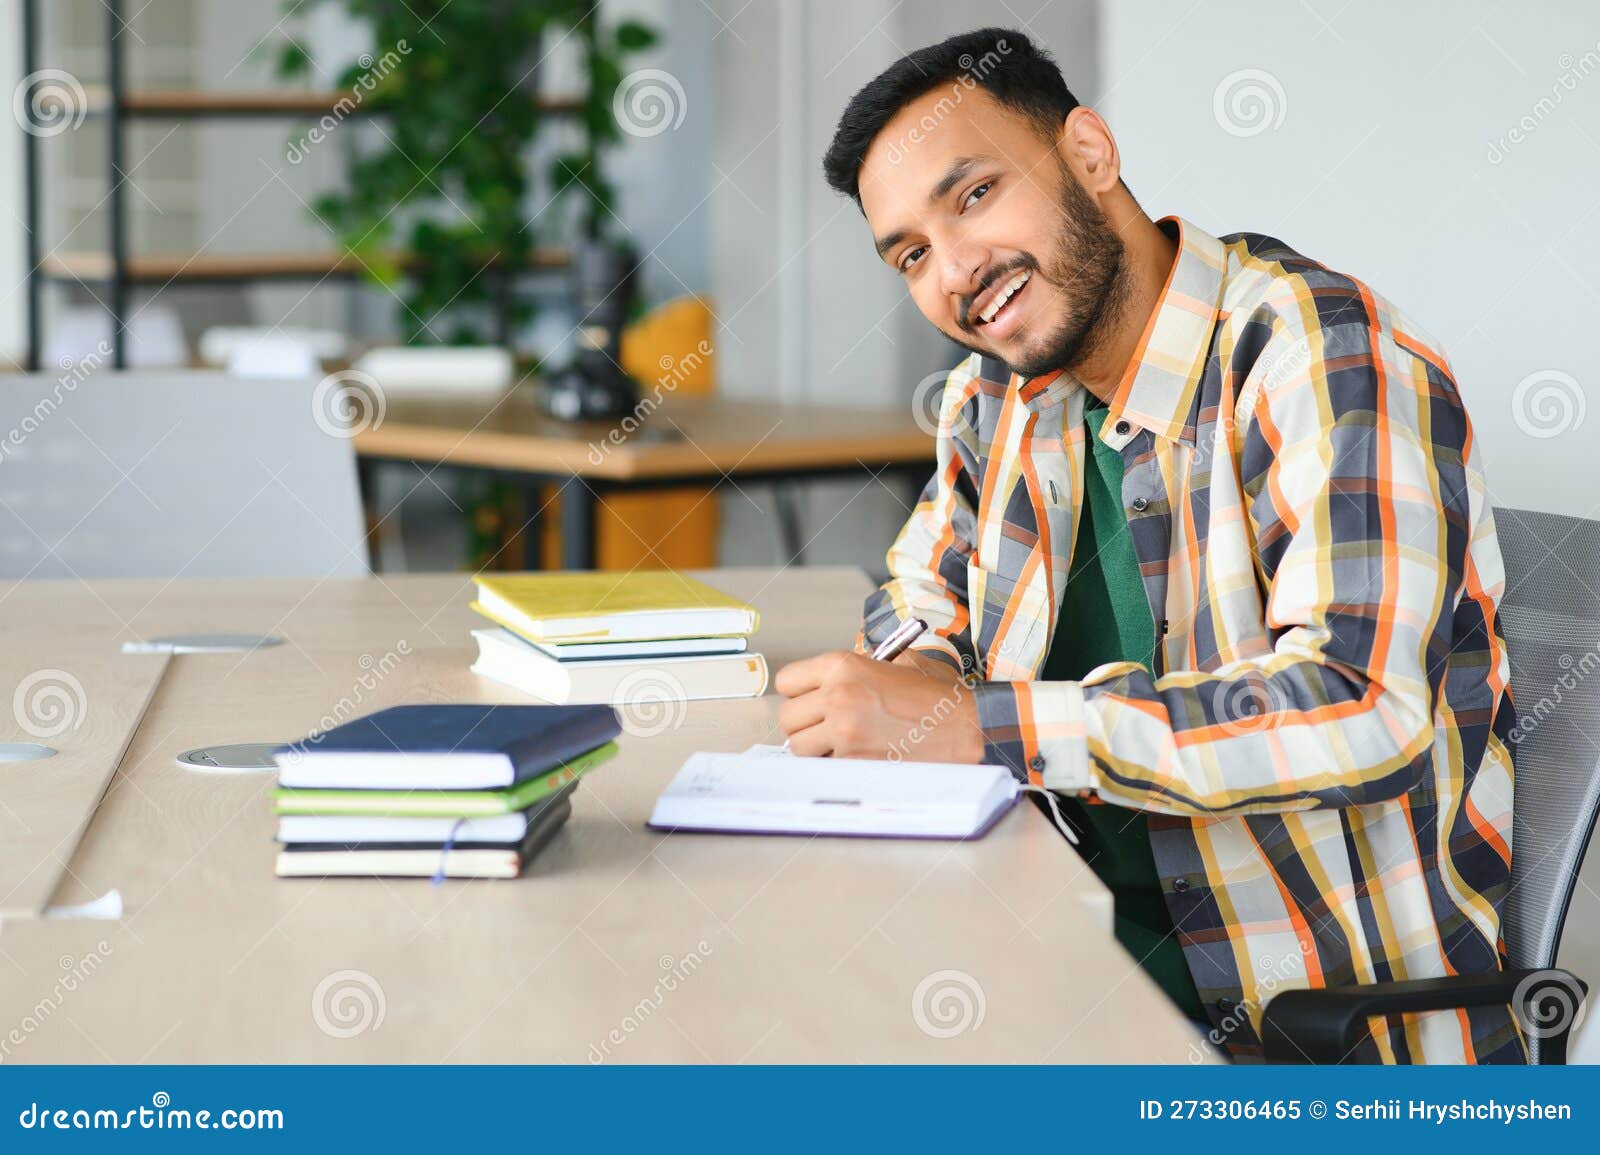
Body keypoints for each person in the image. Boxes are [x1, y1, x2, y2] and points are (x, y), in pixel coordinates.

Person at [775, 26, 1521, 1063]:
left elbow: (1363, 709)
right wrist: (924, 682)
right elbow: (919, 602)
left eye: (975, 195)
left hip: (1307, 1040)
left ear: (1089, 152)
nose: (954, 271)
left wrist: (984, 726)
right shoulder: (995, 399)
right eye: (909, 253)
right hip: (1047, 967)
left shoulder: (1316, 353)